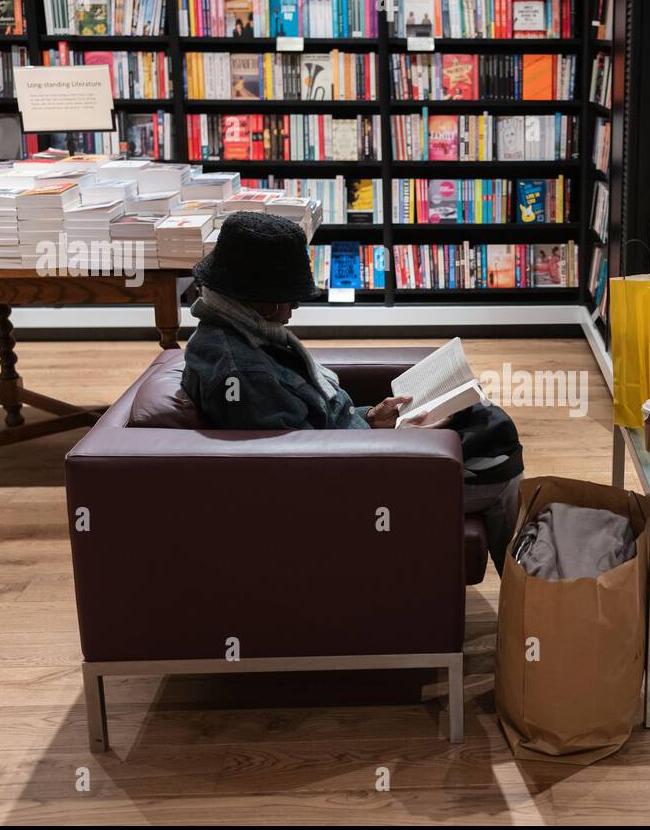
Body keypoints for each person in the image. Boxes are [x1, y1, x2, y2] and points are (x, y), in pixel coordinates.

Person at [182, 211, 523, 573]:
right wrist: (404, 441)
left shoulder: (240, 334)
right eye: (285, 297)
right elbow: (296, 468)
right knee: (500, 465)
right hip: (352, 479)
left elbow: (308, 427)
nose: (293, 308)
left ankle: (530, 597)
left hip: (350, 450)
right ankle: (529, 604)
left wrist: (370, 417)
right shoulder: (242, 372)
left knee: (487, 419)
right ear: (254, 297)